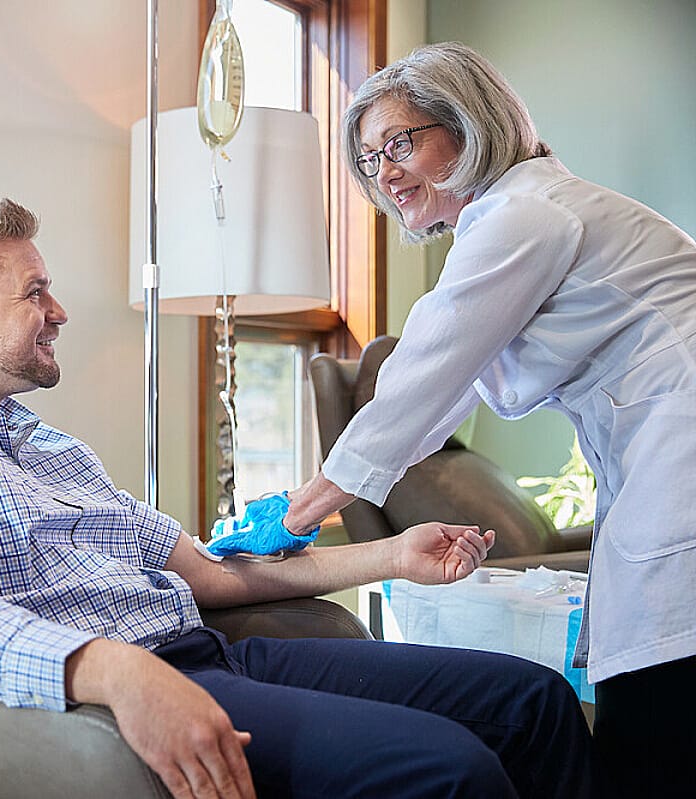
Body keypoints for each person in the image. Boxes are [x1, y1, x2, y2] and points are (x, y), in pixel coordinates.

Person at [0, 196, 595, 799]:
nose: (60, 310)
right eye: (35, 291)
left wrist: (391, 554)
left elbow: (206, 570)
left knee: (535, 700)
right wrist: (114, 671)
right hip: (123, 695)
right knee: (451, 771)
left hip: (212, 652)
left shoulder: (43, 442)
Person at [280, 42, 696, 798]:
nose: (386, 172)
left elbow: (424, 372)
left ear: (468, 129)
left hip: (682, 446)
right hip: (659, 448)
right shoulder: (515, 219)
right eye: (370, 160)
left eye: (401, 142)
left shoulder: (522, 214)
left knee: (662, 709)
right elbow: (449, 387)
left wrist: (298, 511)